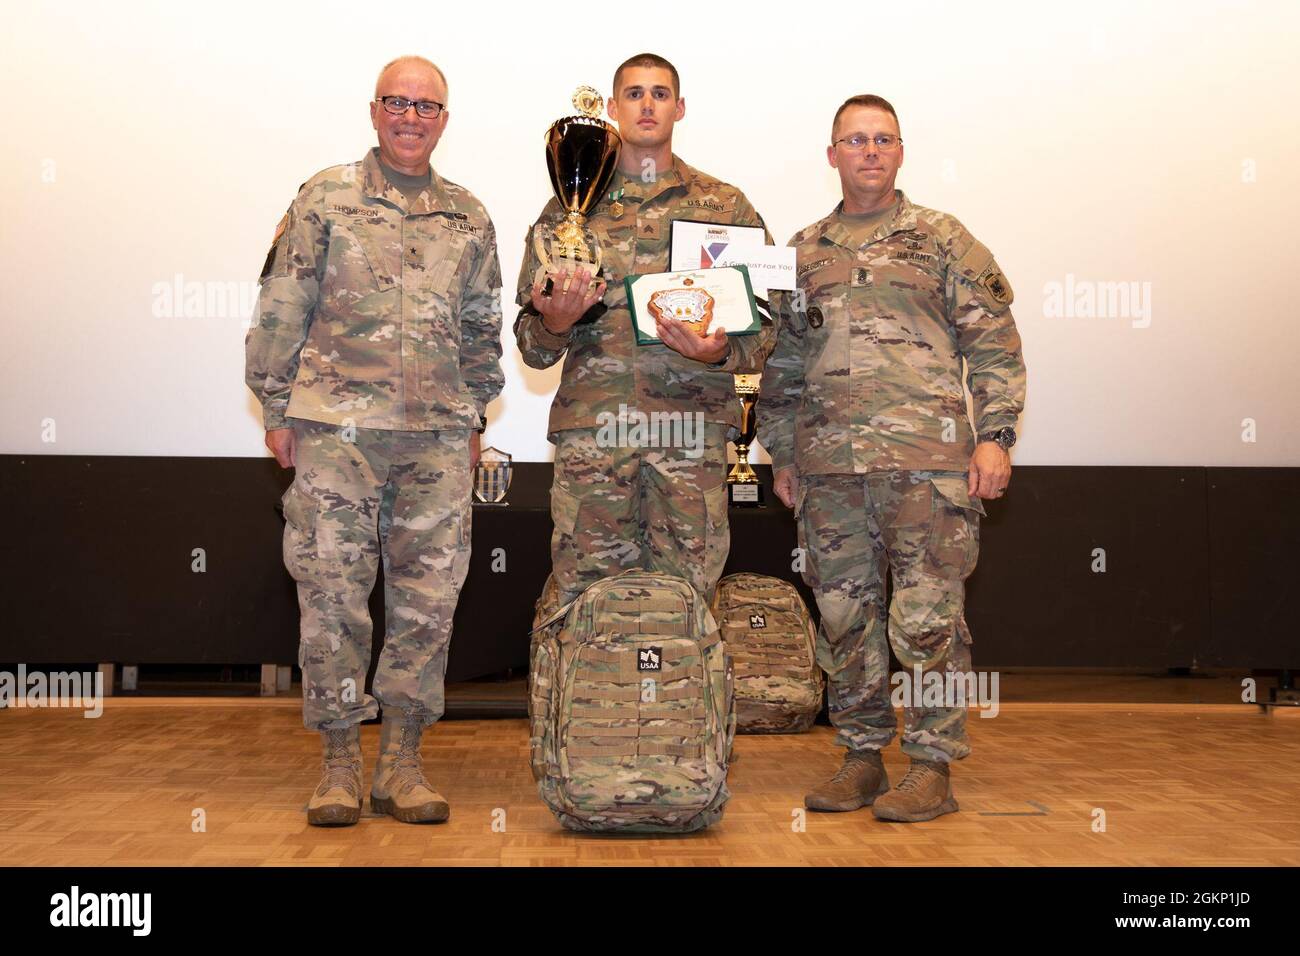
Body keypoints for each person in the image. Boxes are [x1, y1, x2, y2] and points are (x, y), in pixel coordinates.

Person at [244, 56, 503, 826]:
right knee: (332, 601)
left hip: (434, 439)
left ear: (444, 120)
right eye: (398, 102)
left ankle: (403, 763)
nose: (411, 117)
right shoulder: (324, 197)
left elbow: (482, 329)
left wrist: (476, 418)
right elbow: (282, 303)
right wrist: (275, 408)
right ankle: (337, 764)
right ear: (374, 110)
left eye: (427, 106)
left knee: (428, 606)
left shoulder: (470, 216)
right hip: (336, 433)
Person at [758, 94, 1026, 822]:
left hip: (929, 468)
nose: (869, 151)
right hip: (830, 472)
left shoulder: (942, 239)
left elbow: (994, 342)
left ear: (900, 151)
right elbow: (781, 365)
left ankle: (933, 766)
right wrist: (783, 453)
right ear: (832, 154)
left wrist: (995, 437)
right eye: (854, 140)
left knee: (927, 620)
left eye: (882, 140)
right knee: (845, 618)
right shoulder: (802, 250)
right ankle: (861, 756)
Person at [515, 52, 775, 609]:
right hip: (595, 436)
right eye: (634, 94)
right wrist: (555, 322)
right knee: (586, 599)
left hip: (691, 435)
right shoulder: (567, 212)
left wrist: (721, 347)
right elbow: (532, 346)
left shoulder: (725, 207)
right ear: (612, 108)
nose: (648, 104)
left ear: (680, 107)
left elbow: (769, 326)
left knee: (687, 598)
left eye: (660, 93)